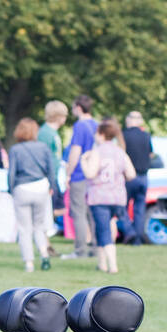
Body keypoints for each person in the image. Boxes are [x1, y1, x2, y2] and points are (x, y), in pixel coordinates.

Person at [80, 117, 135, 275]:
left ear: (101, 134)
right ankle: (101, 263)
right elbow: (131, 174)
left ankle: (112, 265)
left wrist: (84, 161)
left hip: (99, 197)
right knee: (106, 226)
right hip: (117, 197)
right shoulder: (120, 152)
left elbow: (90, 173)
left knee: (102, 230)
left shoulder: (98, 152)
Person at [7, 118, 59, 272]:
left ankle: (29, 262)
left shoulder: (16, 150)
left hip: (22, 189)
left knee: (24, 228)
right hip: (41, 187)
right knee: (39, 225)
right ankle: (44, 254)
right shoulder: (43, 148)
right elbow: (51, 170)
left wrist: (11, 190)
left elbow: (11, 173)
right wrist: (52, 186)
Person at [62, 95, 98, 259]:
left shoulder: (80, 126)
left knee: (79, 213)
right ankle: (97, 248)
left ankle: (80, 250)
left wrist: (68, 173)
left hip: (79, 174)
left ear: (78, 107)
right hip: (94, 174)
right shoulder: (97, 125)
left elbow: (75, 151)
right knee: (93, 214)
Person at [116, 110, 153, 244]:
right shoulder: (146, 136)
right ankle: (137, 239)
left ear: (128, 120)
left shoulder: (123, 136)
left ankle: (128, 231)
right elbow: (150, 154)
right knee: (139, 209)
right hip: (143, 177)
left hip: (128, 177)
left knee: (121, 207)